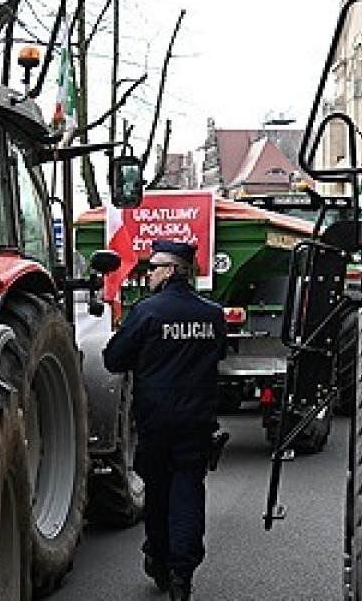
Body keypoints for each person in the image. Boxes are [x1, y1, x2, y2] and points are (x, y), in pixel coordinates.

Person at [102, 240, 227, 601]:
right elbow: (217, 353)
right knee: (188, 489)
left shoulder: (147, 312)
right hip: (198, 420)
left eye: (153, 267)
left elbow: (114, 359)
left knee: (158, 492)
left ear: (171, 270)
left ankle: (158, 558)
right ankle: (182, 575)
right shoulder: (212, 314)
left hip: (156, 420)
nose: (149, 273)